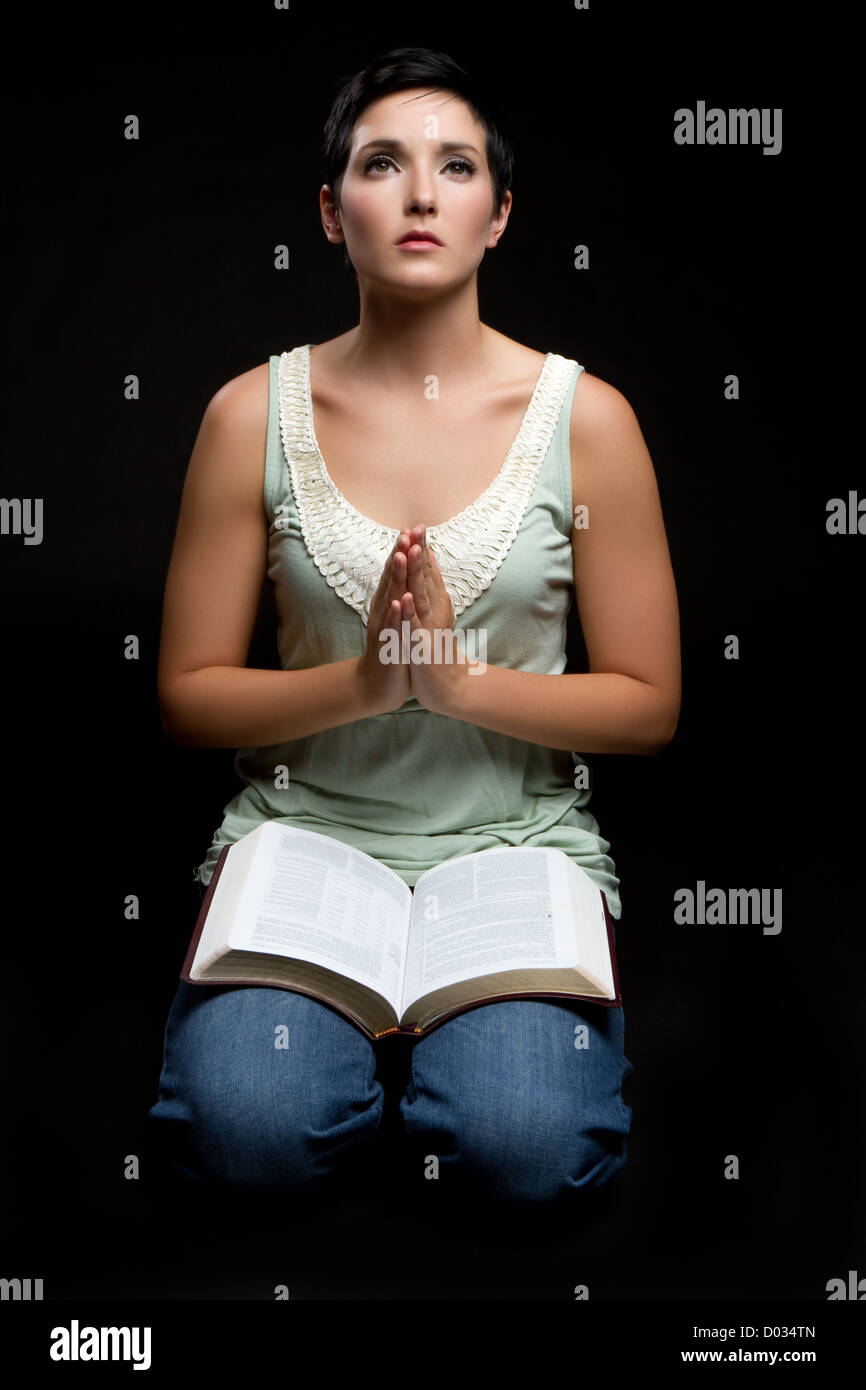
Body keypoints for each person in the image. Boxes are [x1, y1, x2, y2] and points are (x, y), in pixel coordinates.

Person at [147, 46, 681, 1230]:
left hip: (511, 852)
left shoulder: (586, 421)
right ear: (332, 214)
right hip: (305, 847)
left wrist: (454, 684)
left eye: (456, 166)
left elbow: (646, 705)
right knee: (246, 1141)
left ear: (498, 215)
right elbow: (185, 696)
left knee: (525, 1150)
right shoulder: (250, 413)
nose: (422, 193)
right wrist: (368, 679)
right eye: (382, 164)